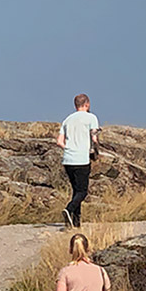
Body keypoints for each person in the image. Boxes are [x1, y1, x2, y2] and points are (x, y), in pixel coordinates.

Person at [56, 94, 99, 229]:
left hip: (68, 158)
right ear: (87, 104)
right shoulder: (91, 118)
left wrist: (68, 147)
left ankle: (75, 222)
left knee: (76, 190)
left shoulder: (67, 120)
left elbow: (59, 141)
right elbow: (94, 138)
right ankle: (69, 209)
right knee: (83, 191)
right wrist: (95, 151)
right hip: (81, 158)